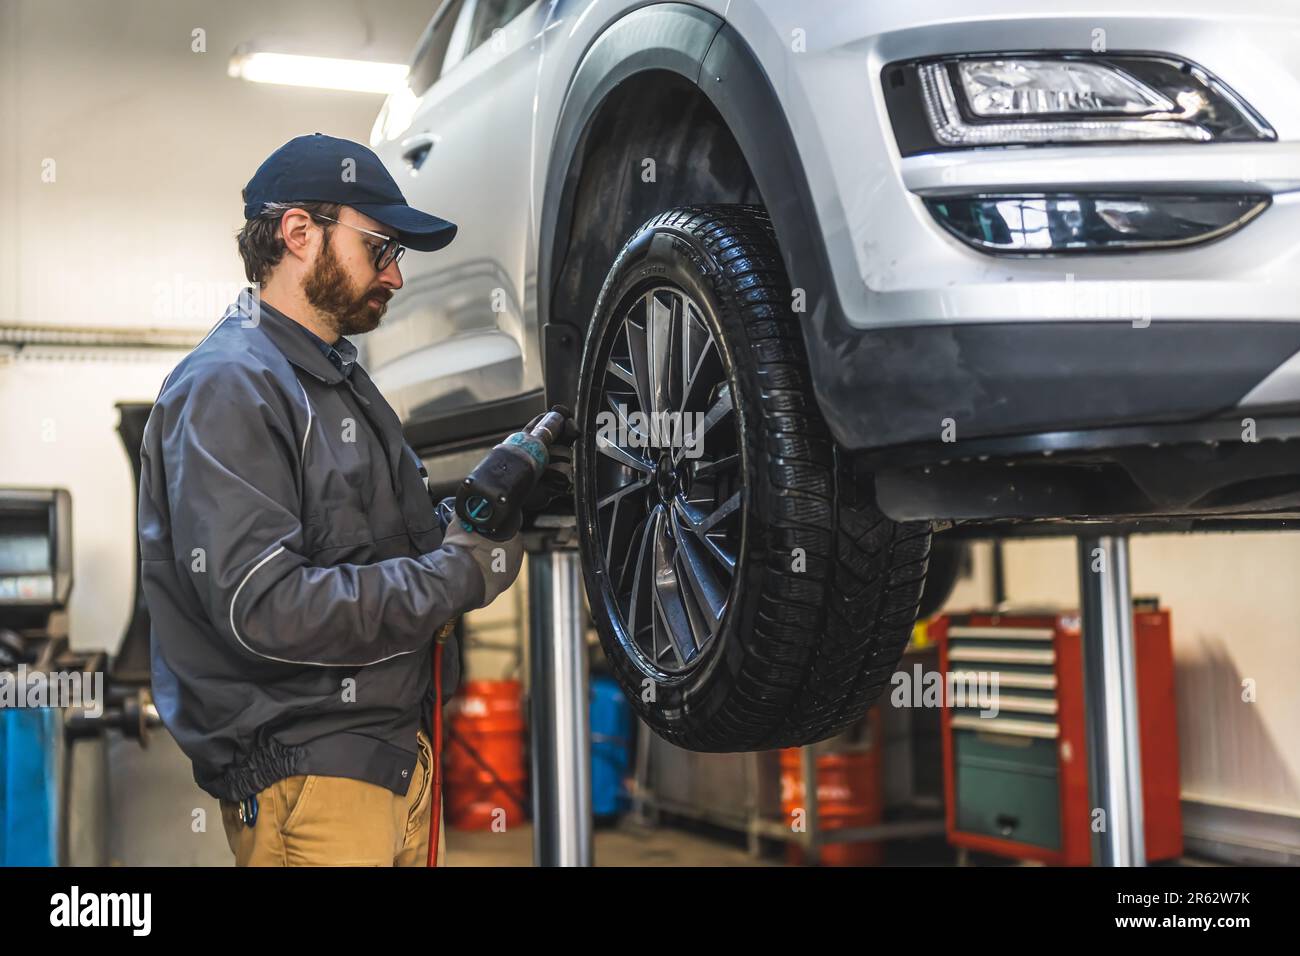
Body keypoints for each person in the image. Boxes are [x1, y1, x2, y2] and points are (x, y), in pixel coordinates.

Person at [139, 133, 537, 866]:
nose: (396, 275)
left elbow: (378, 553)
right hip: (313, 783)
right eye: (380, 246)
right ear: (297, 233)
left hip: (386, 764)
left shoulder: (336, 380)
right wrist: (461, 573)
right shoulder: (232, 385)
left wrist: (479, 516)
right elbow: (266, 607)